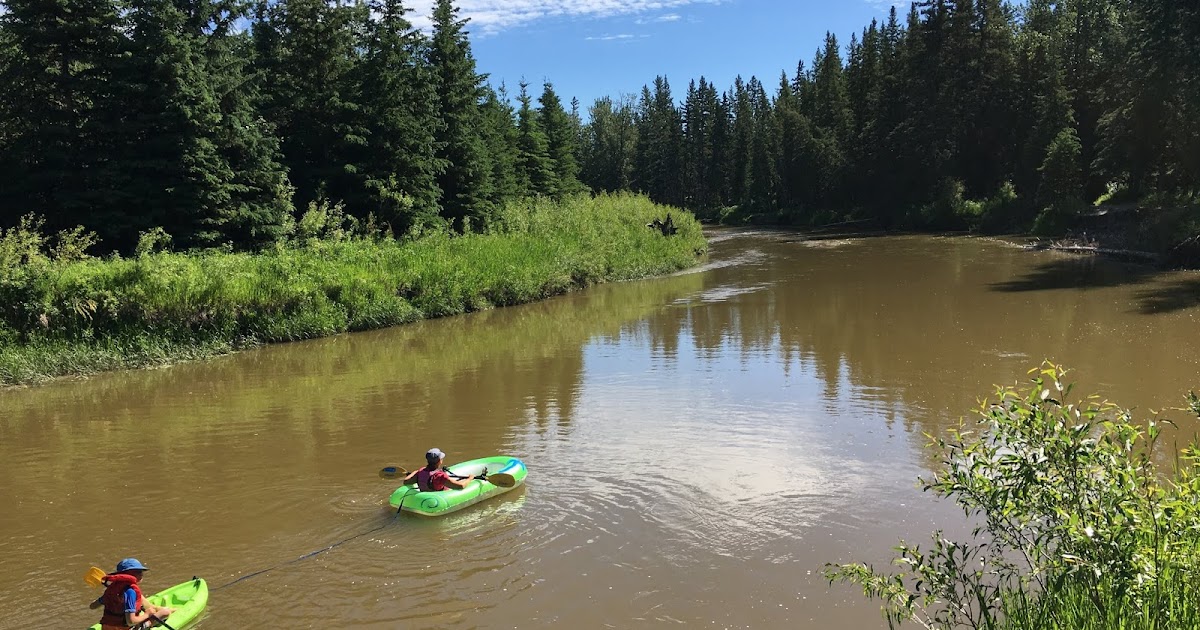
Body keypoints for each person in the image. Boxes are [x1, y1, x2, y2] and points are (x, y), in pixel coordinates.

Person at [89, 558, 176, 630]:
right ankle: (146, 625)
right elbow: (130, 621)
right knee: (165, 612)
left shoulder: (111, 590)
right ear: (129, 574)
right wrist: (147, 614)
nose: (141, 574)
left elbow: (92, 606)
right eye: (138, 572)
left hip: (106, 628)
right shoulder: (131, 592)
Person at [403, 448, 474, 491]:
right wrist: (470, 479)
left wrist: (416, 472)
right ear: (440, 461)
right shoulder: (440, 476)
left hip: (425, 496)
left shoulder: (420, 472)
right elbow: (460, 486)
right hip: (439, 497)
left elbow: (406, 481)